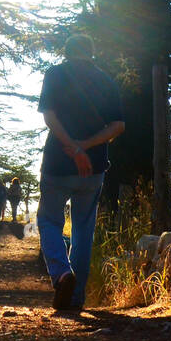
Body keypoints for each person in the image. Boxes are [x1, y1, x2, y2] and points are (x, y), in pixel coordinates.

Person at [36, 34, 125, 311]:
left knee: (48, 220)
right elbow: (118, 126)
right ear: (92, 53)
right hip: (94, 167)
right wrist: (85, 147)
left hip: (57, 165)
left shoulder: (55, 74)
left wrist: (72, 148)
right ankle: (75, 299)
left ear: (67, 52)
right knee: (84, 229)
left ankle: (62, 274)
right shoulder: (106, 81)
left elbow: (49, 116)